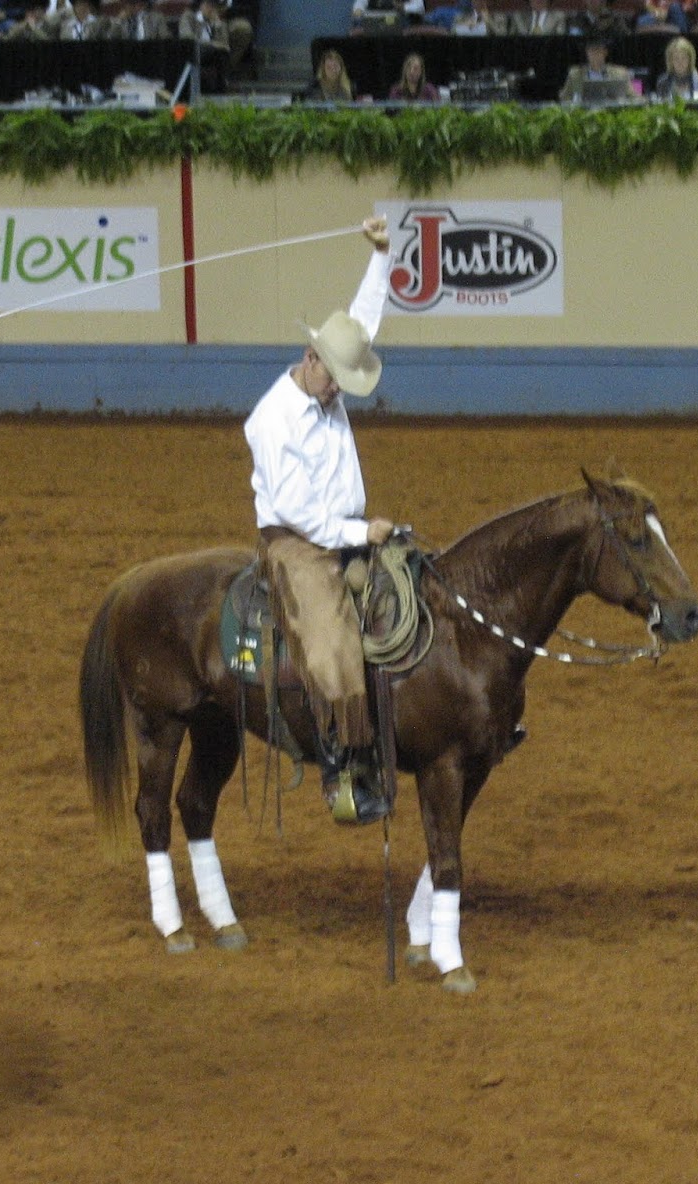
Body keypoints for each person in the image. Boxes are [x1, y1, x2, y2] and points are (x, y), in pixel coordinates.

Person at [243, 217, 395, 827]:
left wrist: (381, 256)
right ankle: (341, 766)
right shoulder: (270, 422)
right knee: (330, 640)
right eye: (331, 376)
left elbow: (364, 322)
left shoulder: (327, 378)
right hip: (297, 543)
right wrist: (361, 534)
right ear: (308, 359)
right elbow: (301, 512)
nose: (337, 389)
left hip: (347, 526)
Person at [558, 32, 639, 102]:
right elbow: (565, 97)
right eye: (592, 51)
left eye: (598, 50)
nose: (595, 54)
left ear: (605, 53)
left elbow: (632, 95)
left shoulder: (620, 73)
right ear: (586, 53)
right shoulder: (575, 74)